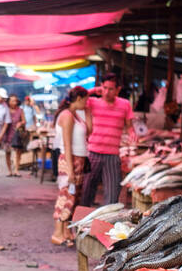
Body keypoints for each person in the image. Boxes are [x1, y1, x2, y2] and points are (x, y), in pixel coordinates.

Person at [78, 73, 131, 208]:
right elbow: (75, 97)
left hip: (112, 156)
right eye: (104, 88)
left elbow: (130, 127)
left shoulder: (125, 104)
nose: (107, 92)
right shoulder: (92, 102)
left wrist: (133, 135)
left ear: (118, 90)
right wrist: (94, 90)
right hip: (92, 154)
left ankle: (105, 227)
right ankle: (81, 226)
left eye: (111, 89)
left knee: (113, 195)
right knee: (86, 192)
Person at [51, 88, 90, 245]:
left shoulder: (75, 115)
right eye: (85, 100)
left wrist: (88, 112)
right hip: (70, 160)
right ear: (79, 98)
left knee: (74, 197)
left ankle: (66, 231)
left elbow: (90, 131)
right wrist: (70, 171)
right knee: (66, 196)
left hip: (78, 159)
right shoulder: (67, 116)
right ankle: (57, 232)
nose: (87, 103)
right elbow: (67, 145)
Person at [2, 94, 28, 177]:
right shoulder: (5, 110)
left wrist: (20, 123)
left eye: (15, 101)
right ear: (8, 102)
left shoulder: (20, 110)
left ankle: (16, 170)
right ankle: (9, 171)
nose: (14, 102)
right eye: (12, 101)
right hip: (7, 134)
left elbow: (24, 121)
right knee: (7, 152)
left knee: (18, 152)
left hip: (17, 134)